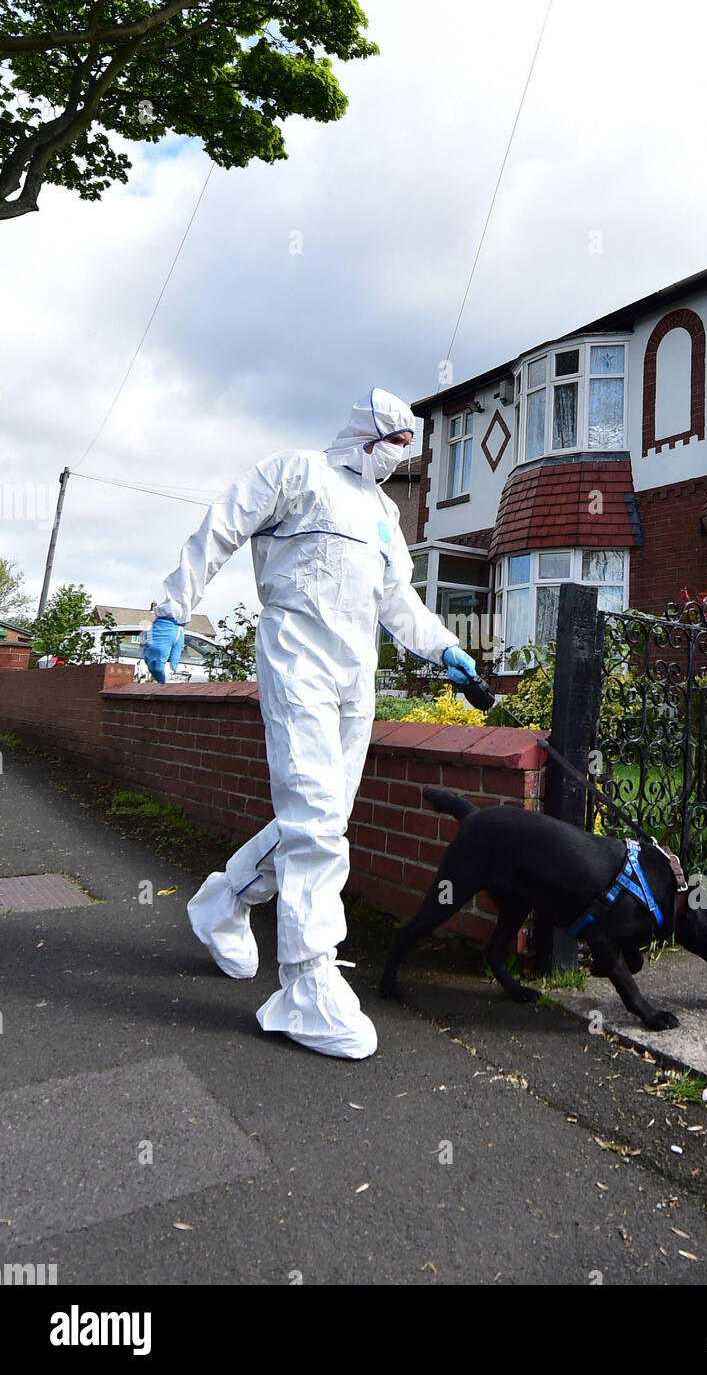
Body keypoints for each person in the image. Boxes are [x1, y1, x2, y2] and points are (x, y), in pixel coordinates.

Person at [145, 388, 477, 1059]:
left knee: (320, 818)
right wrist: (172, 610)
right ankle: (306, 981)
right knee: (317, 813)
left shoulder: (384, 514)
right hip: (296, 656)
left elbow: (397, 602)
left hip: (357, 674)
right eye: (395, 443)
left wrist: (443, 648)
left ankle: (223, 901)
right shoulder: (295, 472)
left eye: (408, 449)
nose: (399, 458)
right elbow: (221, 525)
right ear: (366, 434)